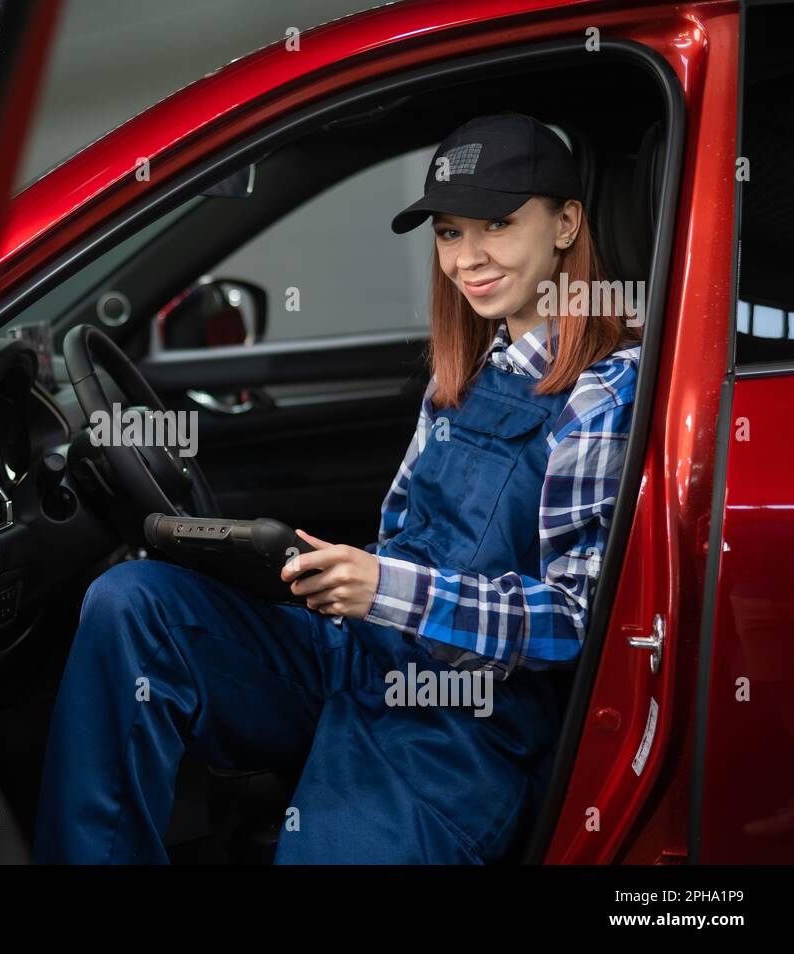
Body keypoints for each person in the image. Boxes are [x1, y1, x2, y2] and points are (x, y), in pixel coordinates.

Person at [33, 112, 641, 864]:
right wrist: (327, 572)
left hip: (463, 719)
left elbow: (574, 621)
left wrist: (384, 587)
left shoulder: (601, 396)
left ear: (565, 223)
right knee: (134, 604)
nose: (469, 258)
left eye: (496, 224)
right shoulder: (468, 371)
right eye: (450, 233)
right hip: (361, 652)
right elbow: (402, 533)